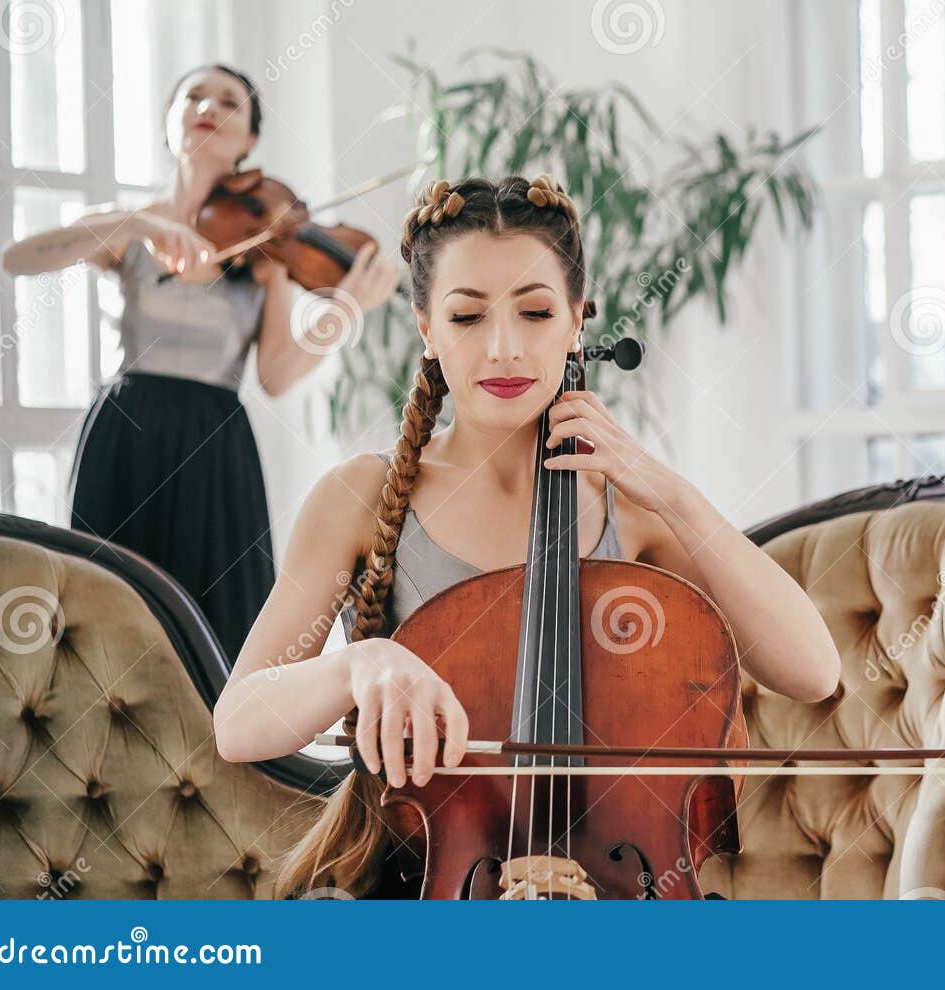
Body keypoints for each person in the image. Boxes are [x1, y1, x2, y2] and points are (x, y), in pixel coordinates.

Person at [213, 175, 842, 898]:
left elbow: (811, 671)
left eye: (536, 312)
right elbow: (238, 724)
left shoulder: (631, 507)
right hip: (429, 893)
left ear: (577, 320)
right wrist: (361, 664)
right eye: (468, 317)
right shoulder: (361, 495)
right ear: (427, 327)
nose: (505, 349)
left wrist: (669, 492)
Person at [1, 64, 398, 661]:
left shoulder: (267, 249)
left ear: (249, 143)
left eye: (230, 100)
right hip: (127, 427)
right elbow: (19, 259)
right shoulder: (129, 229)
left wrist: (346, 307)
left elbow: (277, 374)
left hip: (214, 441)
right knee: (104, 613)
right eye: (194, 95)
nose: (209, 105)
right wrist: (136, 221)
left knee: (213, 629)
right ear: (170, 121)